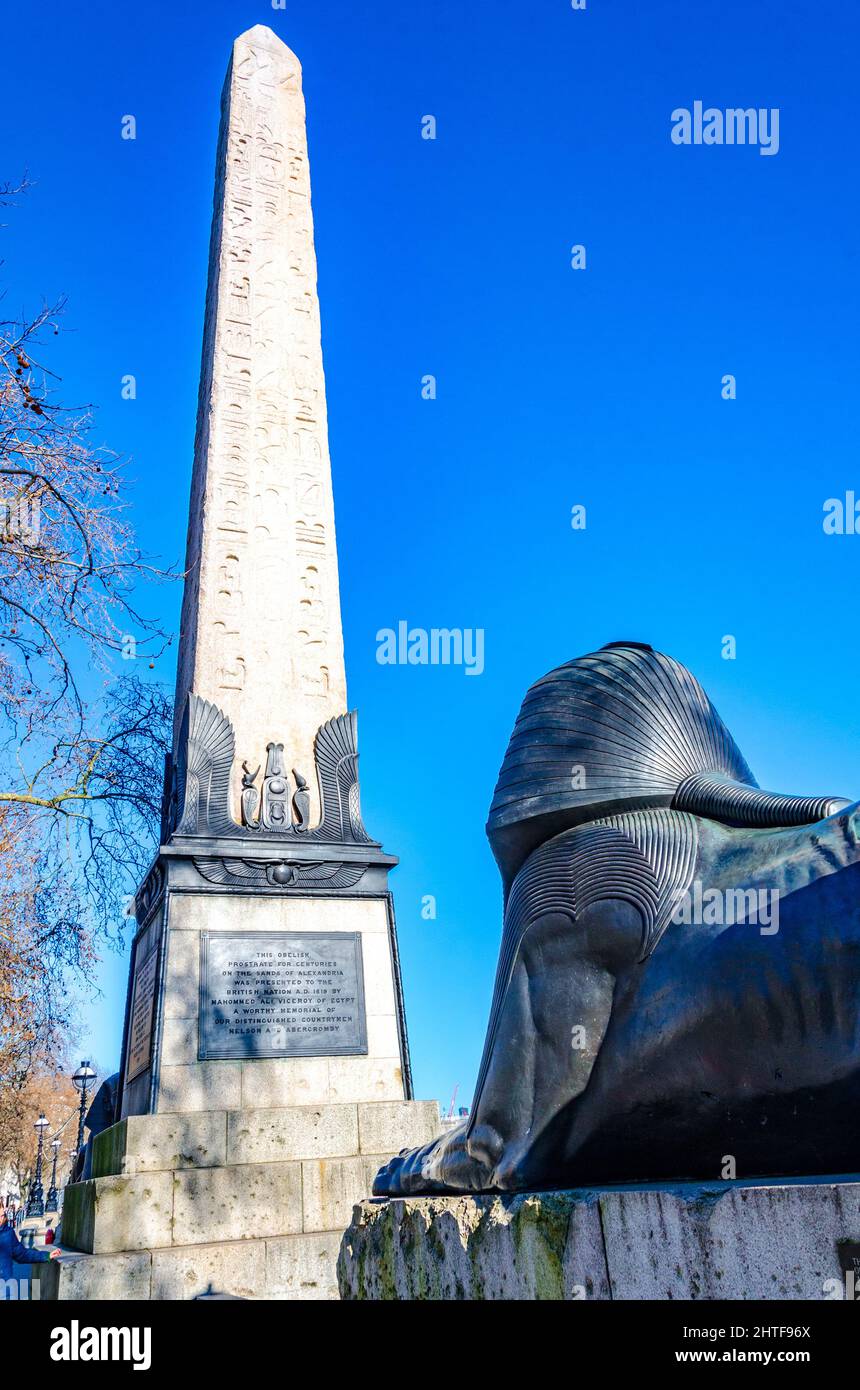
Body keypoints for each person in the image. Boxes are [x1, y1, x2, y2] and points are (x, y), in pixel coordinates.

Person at [0, 1199, 59, 1292]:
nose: (1, 1220)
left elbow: (22, 1254)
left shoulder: (8, 1233)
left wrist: (46, 1255)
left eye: (2, 1216)